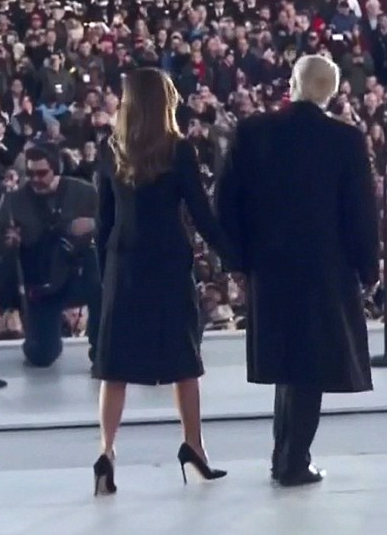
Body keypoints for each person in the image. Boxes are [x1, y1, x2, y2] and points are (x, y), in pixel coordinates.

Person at [215, 55, 379, 487]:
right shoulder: (345, 140)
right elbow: (360, 212)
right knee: (310, 365)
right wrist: (368, 266)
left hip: (269, 267)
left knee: (288, 364)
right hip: (326, 268)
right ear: (332, 91)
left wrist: (236, 260)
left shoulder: (253, 131)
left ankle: (285, 456)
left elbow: (225, 201)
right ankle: (292, 461)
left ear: (292, 83)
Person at [91, 67, 229, 496]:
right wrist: (236, 254)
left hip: (123, 262)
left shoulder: (111, 149)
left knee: (115, 366)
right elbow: (202, 215)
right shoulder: (178, 150)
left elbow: (103, 221)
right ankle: (194, 447)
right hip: (167, 263)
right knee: (184, 361)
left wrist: (105, 276)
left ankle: (106, 453)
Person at [0, 144, 102, 367]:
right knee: (41, 356)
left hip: (81, 273)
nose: (35, 179)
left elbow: (111, 222)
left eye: (42, 173)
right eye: (30, 174)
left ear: (57, 169)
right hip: (43, 280)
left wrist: (93, 224)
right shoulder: (14, 201)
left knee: (102, 283)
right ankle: (41, 341)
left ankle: (101, 350)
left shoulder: (85, 192)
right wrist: (9, 241)